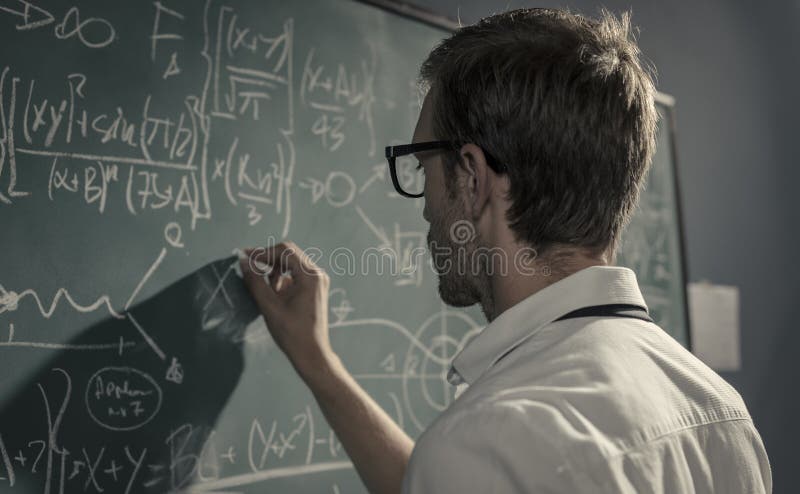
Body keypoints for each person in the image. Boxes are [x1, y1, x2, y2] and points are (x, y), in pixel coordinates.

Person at [239, 8, 771, 494]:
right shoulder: (720, 411)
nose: (424, 207)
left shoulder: (487, 442)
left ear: (470, 178)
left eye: (423, 169)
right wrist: (318, 362)